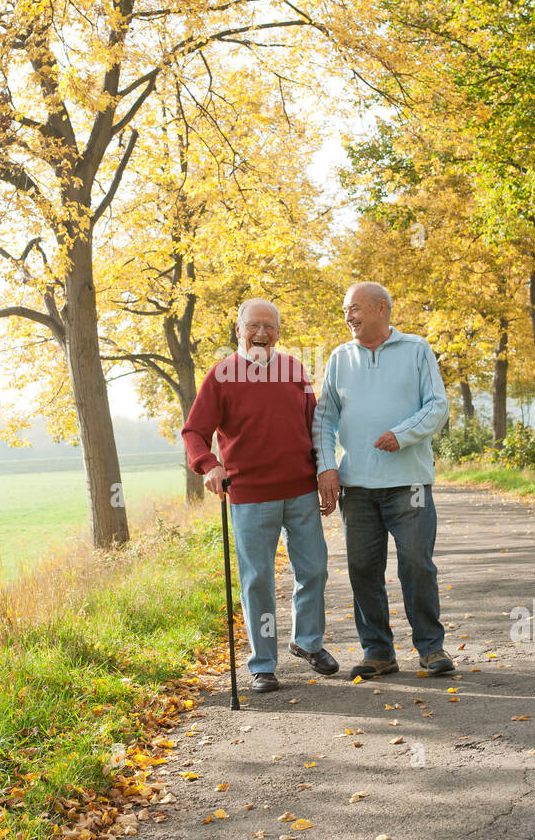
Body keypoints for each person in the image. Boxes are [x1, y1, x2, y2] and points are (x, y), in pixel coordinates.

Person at [181, 299, 336, 694]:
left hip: (300, 491)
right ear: (239, 330)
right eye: (254, 326)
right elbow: (193, 432)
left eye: (270, 326)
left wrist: (324, 472)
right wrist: (208, 464)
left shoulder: (295, 370)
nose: (262, 334)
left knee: (314, 569)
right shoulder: (221, 376)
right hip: (249, 495)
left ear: (279, 332)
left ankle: (307, 642)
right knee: (258, 581)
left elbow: (314, 426)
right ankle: (263, 664)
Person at [313, 282, 453, 679]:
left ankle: (431, 648)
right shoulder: (340, 358)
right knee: (362, 568)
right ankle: (378, 652)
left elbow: (437, 406)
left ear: (380, 308)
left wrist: (402, 433)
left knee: (416, 564)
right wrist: (327, 467)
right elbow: (324, 418)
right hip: (357, 489)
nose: (348, 317)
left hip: (409, 483)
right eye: (345, 311)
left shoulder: (416, 349)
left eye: (354, 309)